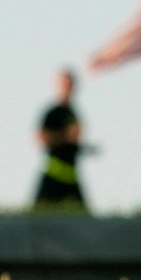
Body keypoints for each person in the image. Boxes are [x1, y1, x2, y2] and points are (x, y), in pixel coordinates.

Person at [33, 68, 92, 210]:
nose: (68, 88)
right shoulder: (53, 113)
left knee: (83, 219)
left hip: (71, 176)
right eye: (65, 84)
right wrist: (66, 135)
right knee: (39, 216)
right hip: (54, 176)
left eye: (70, 84)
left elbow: (73, 142)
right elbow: (41, 138)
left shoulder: (73, 112)